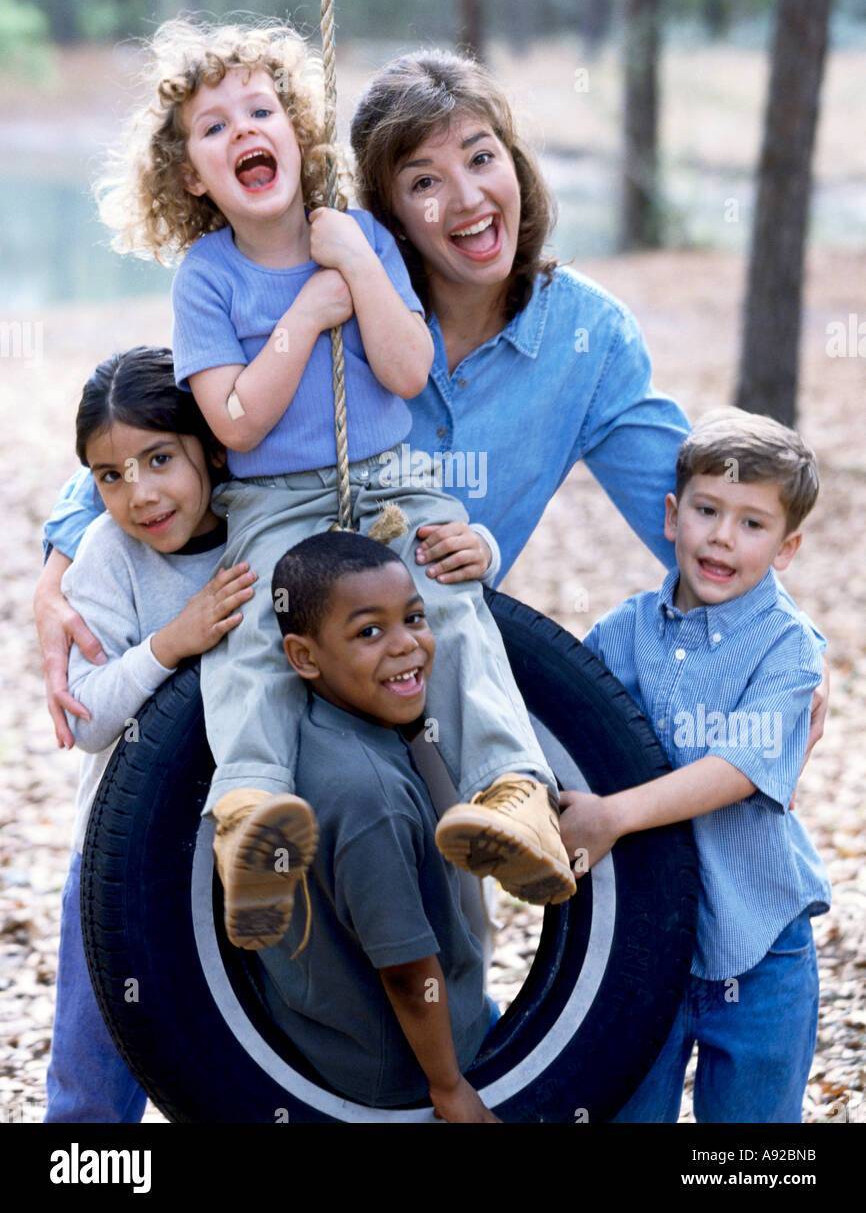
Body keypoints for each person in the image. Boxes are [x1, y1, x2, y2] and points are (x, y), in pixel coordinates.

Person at [35, 44, 828, 892]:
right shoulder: (326, 276)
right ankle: (241, 827)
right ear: (391, 210)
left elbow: (701, 514)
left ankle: (510, 802)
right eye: (423, 181)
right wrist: (64, 559)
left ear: (515, 164)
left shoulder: (582, 339)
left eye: (483, 158)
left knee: (433, 934)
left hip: (423, 679)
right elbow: (173, 424)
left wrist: (785, 649)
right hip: (296, 630)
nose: (467, 198)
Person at [55, 18, 579, 954]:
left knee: (447, 603)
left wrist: (354, 265)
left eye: (260, 109)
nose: (243, 129)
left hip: (389, 481)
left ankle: (515, 796)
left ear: (296, 131)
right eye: (212, 128)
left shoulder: (363, 237)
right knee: (254, 633)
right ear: (189, 176)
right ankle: (251, 817)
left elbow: (409, 369)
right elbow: (237, 423)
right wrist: (309, 307)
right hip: (276, 499)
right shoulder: (206, 280)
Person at [558, 408, 831, 1123]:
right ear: (673, 516)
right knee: (628, 1111)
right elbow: (567, 728)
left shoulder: (788, 649)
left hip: (761, 944)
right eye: (707, 510)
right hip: (646, 945)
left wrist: (612, 815)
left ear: (787, 546)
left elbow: (737, 768)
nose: (721, 536)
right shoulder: (624, 632)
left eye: (752, 523)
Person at [44, 347, 256, 1123]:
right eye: (109, 475)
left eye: (158, 458)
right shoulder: (108, 555)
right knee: (90, 1081)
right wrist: (173, 641)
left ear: (210, 446)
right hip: (121, 858)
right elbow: (87, 712)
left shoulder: (260, 528)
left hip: (251, 850)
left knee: (247, 1069)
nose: (139, 494)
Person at [257, 530, 499, 1120]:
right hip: (400, 1067)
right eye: (369, 631)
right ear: (304, 657)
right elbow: (407, 970)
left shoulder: (311, 734)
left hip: (327, 1031)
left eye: (413, 618)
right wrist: (448, 1089)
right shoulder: (371, 797)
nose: (406, 647)